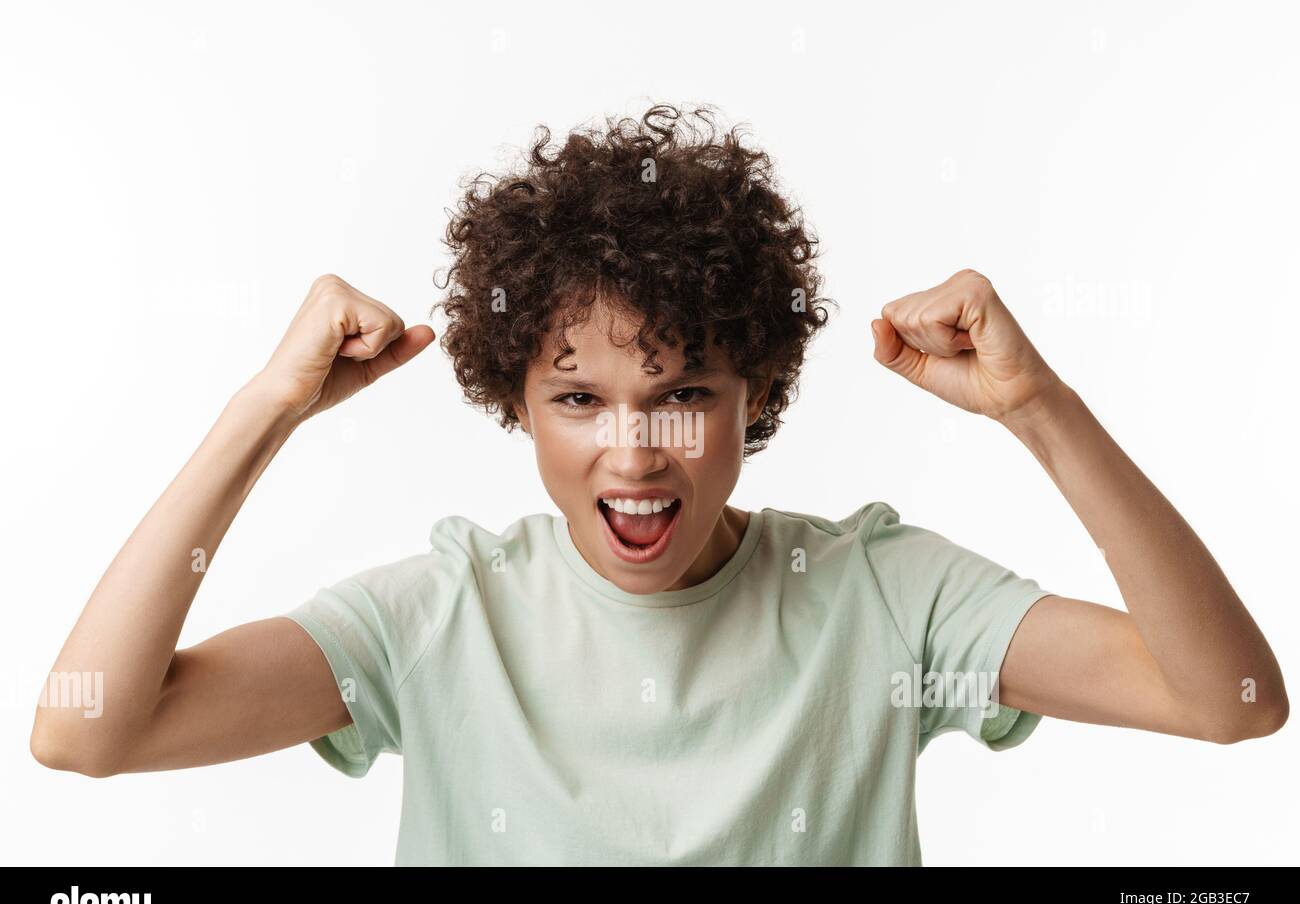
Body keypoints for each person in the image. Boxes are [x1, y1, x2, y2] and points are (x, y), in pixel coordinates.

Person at [30, 104, 1288, 865]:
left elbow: (1228, 697)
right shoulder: (439, 616)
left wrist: (1038, 411)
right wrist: (265, 409)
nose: (632, 453)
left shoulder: (882, 596)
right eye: (576, 398)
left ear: (758, 398)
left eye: (684, 394)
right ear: (512, 403)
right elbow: (89, 730)